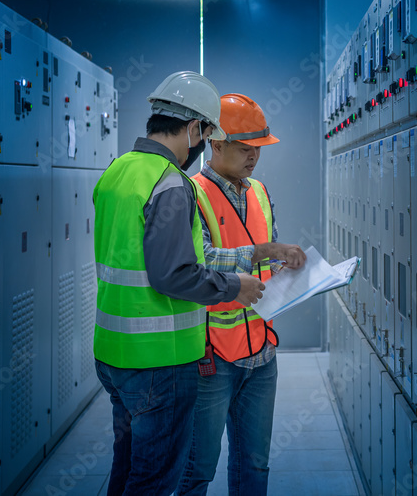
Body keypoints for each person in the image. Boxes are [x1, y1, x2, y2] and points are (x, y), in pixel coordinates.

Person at [92, 72, 266, 496]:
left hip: (113, 353)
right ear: (193, 128)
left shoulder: (118, 170)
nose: (201, 145)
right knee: (154, 482)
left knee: (127, 471)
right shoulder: (170, 182)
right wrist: (235, 287)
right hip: (158, 362)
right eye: (204, 135)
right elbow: (172, 274)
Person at [177, 93, 306, 496]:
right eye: (246, 147)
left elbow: (267, 259)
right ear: (215, 143)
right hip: (211, 356)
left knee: (254, 463)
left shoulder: (260, 193)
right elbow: (201, 262)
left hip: (261, 352)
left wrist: (292, 271)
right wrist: (267, 252)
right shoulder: (191, 193)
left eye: (259, 148)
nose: (254, 156)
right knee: (197, 468)